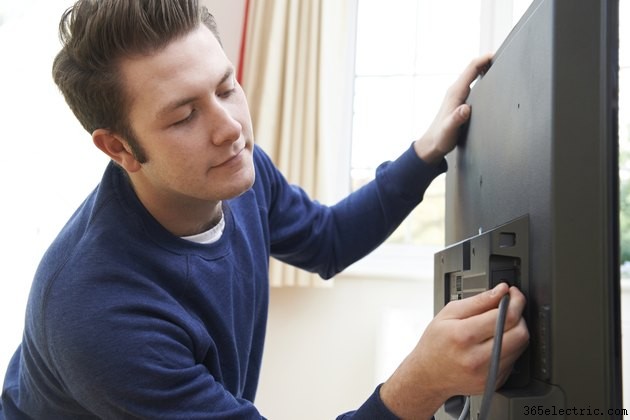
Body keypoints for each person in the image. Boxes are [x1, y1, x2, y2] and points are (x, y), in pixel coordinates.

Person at [0, 1, 529, 419]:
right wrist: (422, 383)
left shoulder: (233, 175)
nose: (230, 127)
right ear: (119, 148)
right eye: (184, 116)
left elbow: (328, 239)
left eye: (227, 87)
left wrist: (425, 153)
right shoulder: (99, 314)